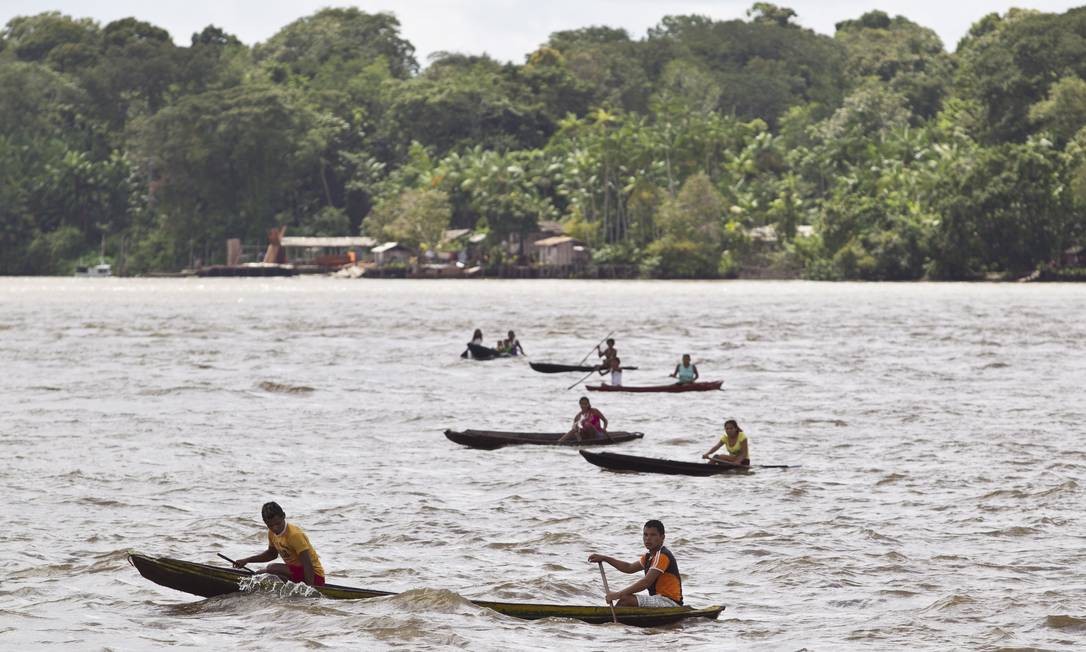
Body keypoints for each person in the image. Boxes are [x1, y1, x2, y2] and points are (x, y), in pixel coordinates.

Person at [588, 520, 683, 608]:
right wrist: (604, 558)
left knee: (625, 599)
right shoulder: (648, 557)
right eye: (645, 535)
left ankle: (610, 622)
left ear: (662, 538)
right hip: (658, 599)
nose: (648, 539)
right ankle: (613, 622)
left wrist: (618, 594)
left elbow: (646, 582)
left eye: (653, 535)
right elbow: (628, 568)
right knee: (625, 597)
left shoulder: (662, 555)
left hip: (670, 602)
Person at [232, 501, 326, 587]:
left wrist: (310, 588)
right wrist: (246, 560)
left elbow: (307, 564)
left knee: (271, 567)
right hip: (296, 573)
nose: (275, 528)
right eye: (271, 525)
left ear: (283, 516)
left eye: (278, 523)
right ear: (265, 522)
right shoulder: (271, 533)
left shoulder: (295, 535)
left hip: (314, 577)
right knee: (259, 574)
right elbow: (271, 554)